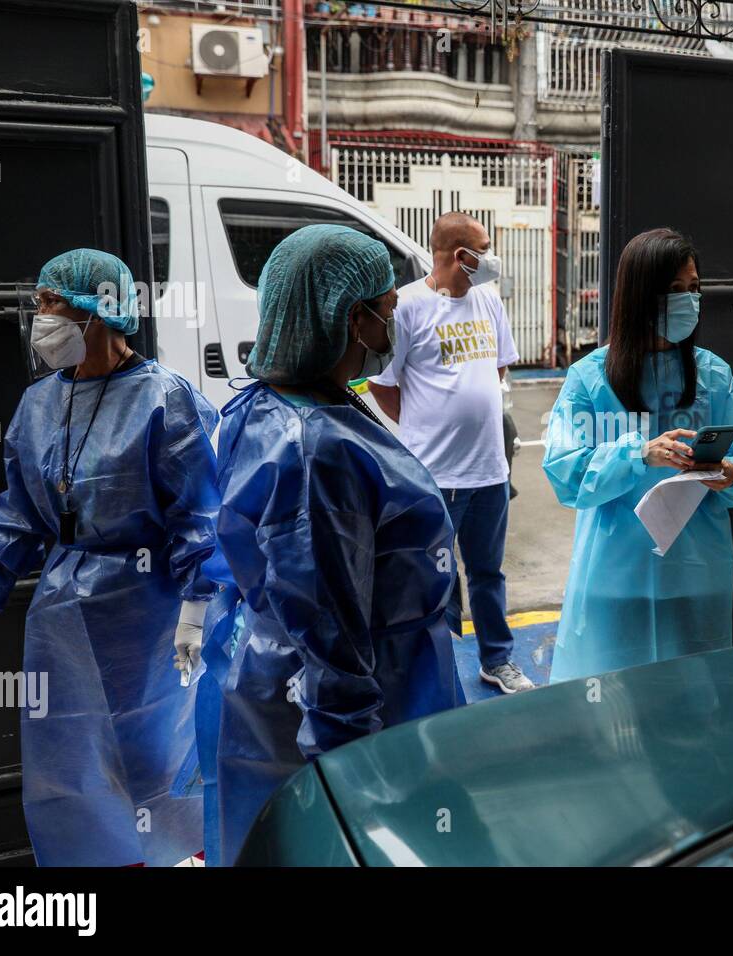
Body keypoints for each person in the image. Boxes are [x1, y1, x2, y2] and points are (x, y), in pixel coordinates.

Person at [200, 224, 463, 864]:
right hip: (346, 698)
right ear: (354, 319)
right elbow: (330, 625)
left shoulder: (275, 405)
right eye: (390, 311)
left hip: (285, 678)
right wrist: (352, 766)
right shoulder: (318, 451)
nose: (394, 326)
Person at [0, 249, 219, 866]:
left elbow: (200, 513)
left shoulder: (164, 400)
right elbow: (18, 508)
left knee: (159, 750)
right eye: (39, 303)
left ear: (99, 311)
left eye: (50, 304)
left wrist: (197, 607)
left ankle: (183, 855)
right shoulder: (40, 402)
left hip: (150, 609)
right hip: (63, 608)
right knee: (72, 752)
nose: (40, 318)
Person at [542, 227, 733, 681]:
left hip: (696, 576)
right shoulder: (589, 378)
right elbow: (565, 474)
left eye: (694, 288)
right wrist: (637, 453)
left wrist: (726, 472)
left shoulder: (714, 375)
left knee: (692, 705)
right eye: (674, 290)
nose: (688, 300)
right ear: (641, 295)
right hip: (615, 579)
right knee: (615, 712)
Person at [368, 212, 533, 694]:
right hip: (434, 476)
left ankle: (496, 661)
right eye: (485, 246)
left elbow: (498, 371)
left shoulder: (487, 301)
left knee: (487, 572)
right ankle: (433, 677)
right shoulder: (409, 308)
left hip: (489, 471)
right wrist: (428, 428)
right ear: (461, 256)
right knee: (430, 581)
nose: (492, 255)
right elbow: (384, 386)